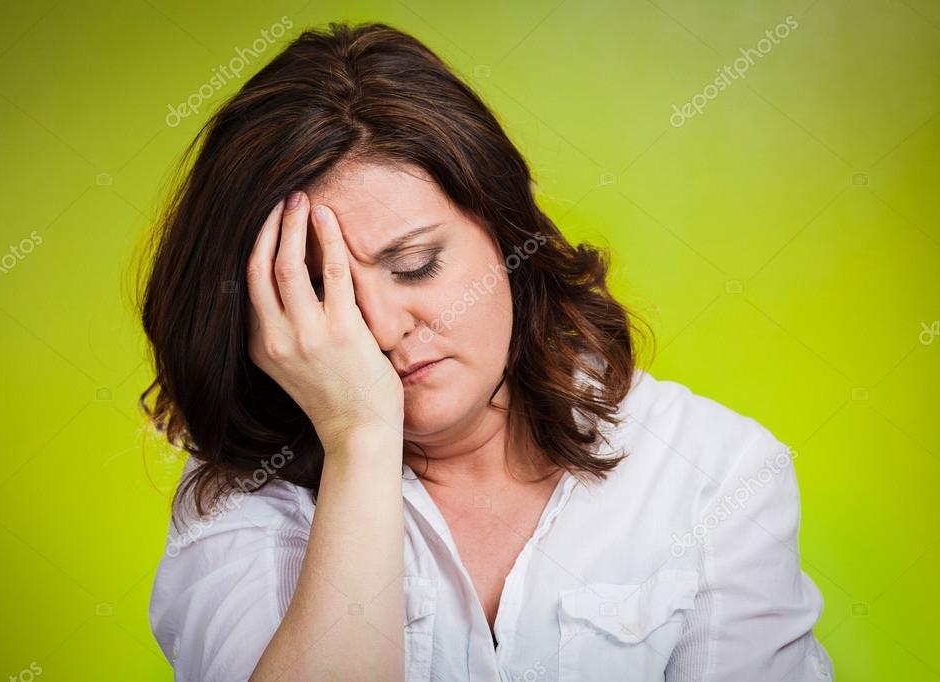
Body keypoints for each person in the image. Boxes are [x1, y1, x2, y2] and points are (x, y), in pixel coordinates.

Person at [139, 21, 834, 681]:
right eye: (326, 294)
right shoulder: (243, 499)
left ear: (506, 234)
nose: (380, 328)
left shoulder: (713, 473)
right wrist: (359, 438)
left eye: (414, 264)